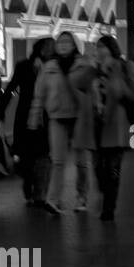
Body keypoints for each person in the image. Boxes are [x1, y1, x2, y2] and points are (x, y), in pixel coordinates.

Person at [28, 31, 97, 216]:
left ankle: (81, 197)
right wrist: (34, 117)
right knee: (57, 161)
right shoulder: (49, 66)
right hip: (57, 118)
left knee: (81, 162)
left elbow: (93, 90)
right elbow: (39, 94)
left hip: (79, 118)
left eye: (67, 41)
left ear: (75, 44)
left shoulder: (83, 64)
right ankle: (52, 200)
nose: (63, 44)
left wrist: (97, 108)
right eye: (60, 41)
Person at [0, 37, 53, 207]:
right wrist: (1, 111)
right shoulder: (23, 66)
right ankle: (28, 183)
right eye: (49, 46)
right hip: (25, 118)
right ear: (40, 48)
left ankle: (40, 193)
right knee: (27, 155)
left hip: (46, 118)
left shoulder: (54, 68)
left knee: (43, 155)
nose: (52, 49)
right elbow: (11, 88)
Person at [91, 35, 134, 222]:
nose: (99, 50)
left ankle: (109, 207)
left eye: (103, 46)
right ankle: (106, 192)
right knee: (98, 167)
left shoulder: (126, 66)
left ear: (112, 48)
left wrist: (117, 83)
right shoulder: (94, 70)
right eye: (97, 47)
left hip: (117, 124)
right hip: (96, 124)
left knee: (113, 167)